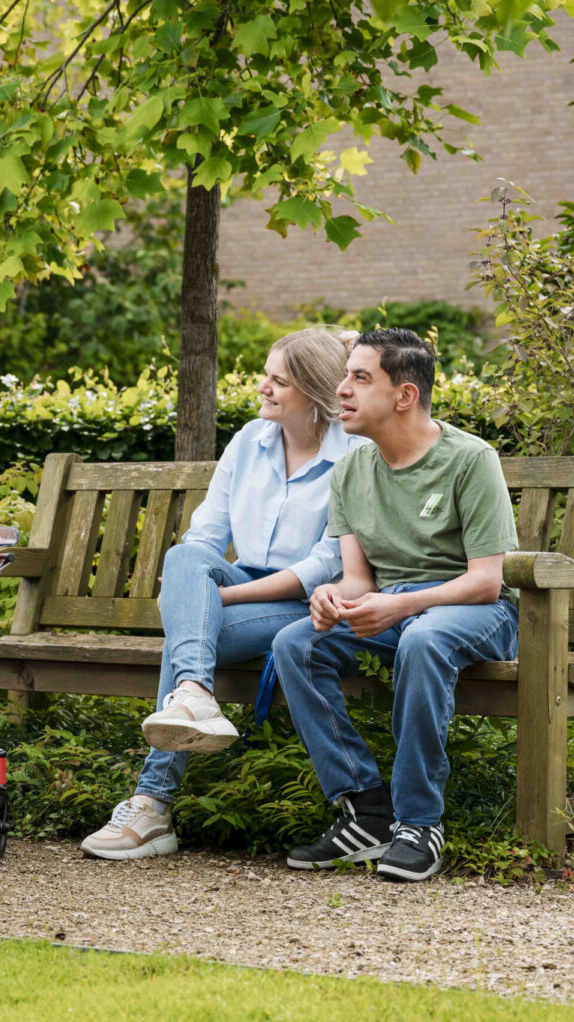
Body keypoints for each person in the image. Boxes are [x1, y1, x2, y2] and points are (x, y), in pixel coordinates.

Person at [79, 328, 368, 860]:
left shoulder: (355, 455)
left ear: (312, 391)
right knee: (185, 558)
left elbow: (324, 566)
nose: (264, 387)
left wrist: (211, 601)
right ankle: (195, 695)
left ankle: (152, 805)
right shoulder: (248, 441)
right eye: (267, 375)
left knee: (186, 634)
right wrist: (197, 585)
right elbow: (205, 537)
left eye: (279, 380)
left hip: (304, 605)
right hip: (238, 584)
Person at [275, 328, 519, 882]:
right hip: (399, 607)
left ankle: (420, 822)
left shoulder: (470, 460)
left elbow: (485, 581)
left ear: (404, 395)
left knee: (424, 637)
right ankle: (368, 812)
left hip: (479, 613)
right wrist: (332, 595)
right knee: (295, 642)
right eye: (345, 376)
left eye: (360, 378)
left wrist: (400, 608)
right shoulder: (352, 471)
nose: (341, 390)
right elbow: (360, 579)